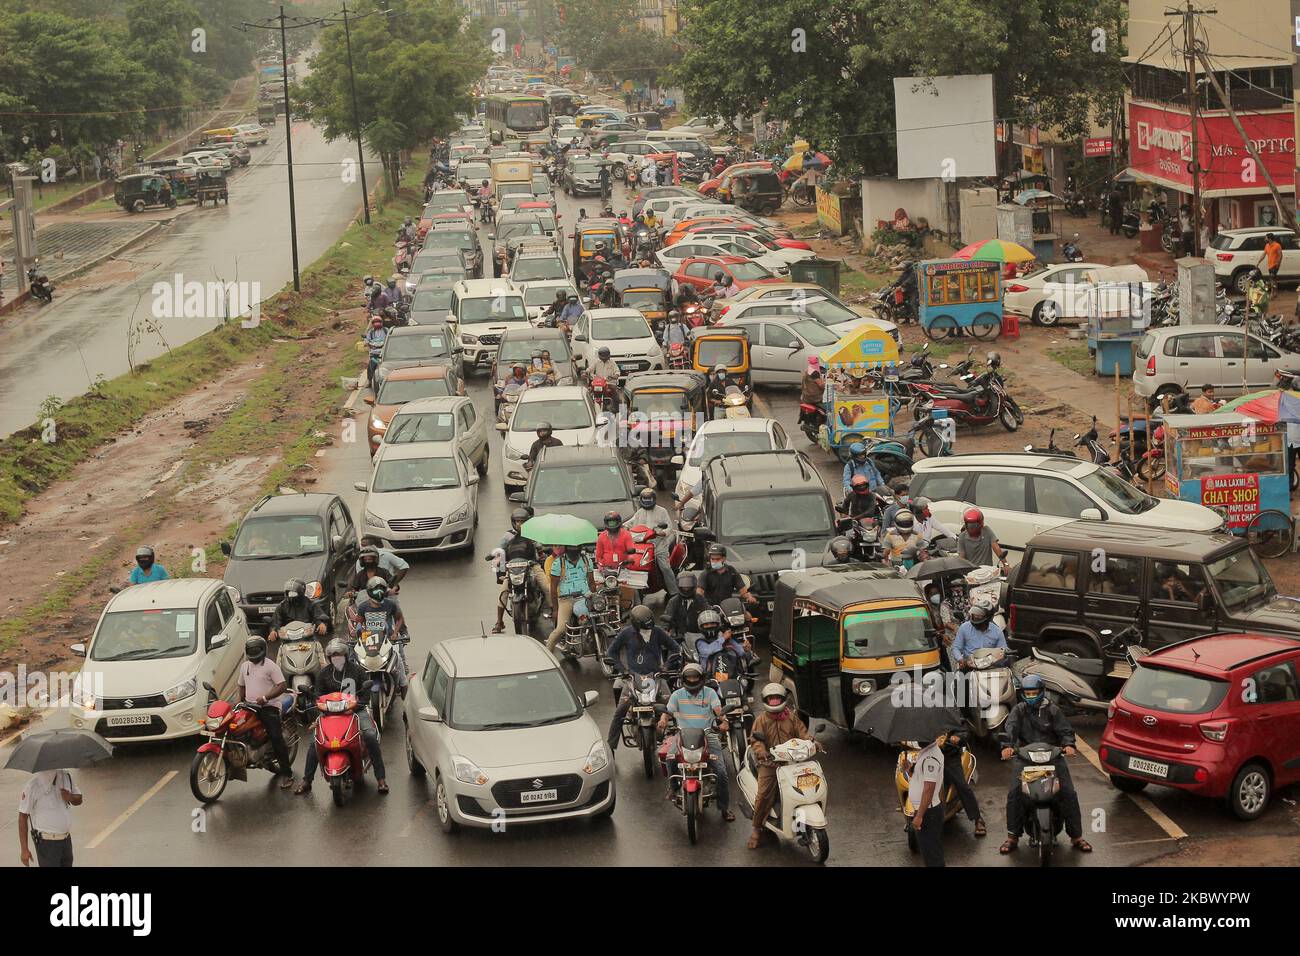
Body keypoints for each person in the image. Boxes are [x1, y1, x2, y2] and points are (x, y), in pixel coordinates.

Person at [1000, 674, 1091, 854]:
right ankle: (1012, 837)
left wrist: (1069, 745)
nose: (1031, 696)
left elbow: (1066, 731)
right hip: (1025, 758)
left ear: (1041, 692)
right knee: (1014, 794)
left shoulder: (1053, 710)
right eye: (1028, 693)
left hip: (1052, 757)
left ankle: (1076, 836)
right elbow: (1010, 730)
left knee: (1068, 793)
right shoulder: (1019, 710)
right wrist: (1007, 746)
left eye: (1034, 692)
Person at [296, 638, 388, 795]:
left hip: (355, 712)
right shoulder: (324, 673)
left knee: (370, 735)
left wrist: (355, 707)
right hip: (329, 714)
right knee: (315, 742)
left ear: (346, 654)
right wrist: (319, 712)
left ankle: (381, 779)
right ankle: (306, 780)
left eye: (339, 654)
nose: (336, 657)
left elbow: (365, 694)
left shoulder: (357, 671)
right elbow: (317, 695)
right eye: (333, 654)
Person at [659, 663, 735, 822]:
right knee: (670, 758)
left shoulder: (710, 693)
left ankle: (724, 808)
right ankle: (673, 787)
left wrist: (725, 721)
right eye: (689, 677)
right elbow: (668, 712)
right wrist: (662, 720)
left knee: (721, 771)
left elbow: (719, 712)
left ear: (701, 678)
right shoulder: (677, 695)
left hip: (708, 734)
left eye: (695, 677)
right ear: (684, 679)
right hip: (682, 736)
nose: (692, 680)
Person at [604, 604, 679, 750]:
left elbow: (675, 648)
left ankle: (682, 742)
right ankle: (610, 748)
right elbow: (611, 652)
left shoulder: (657, 631)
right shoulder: (626, 633)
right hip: (633, 678)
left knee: (673, 706)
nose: (649, 629)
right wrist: (622, 669)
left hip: (656, 677)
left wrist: (667, 666)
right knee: (619, 713)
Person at [746, 683, 812, 849]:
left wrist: (812, 742)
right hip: (769, 763)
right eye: (771, 698)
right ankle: (756, 829)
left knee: (805, 789)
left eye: (777, 698)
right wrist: (762, 752)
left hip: (792, 762)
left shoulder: (791, 717)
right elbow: (755, 740)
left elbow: (803, 733)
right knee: (763, 795)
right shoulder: (761, 719)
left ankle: (802, 825)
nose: (774, 701)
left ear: (783, 699)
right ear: (766, 700)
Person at [237, 636, 295, 790]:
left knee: (276, 738)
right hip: (249, 706)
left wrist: (266, 697)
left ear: (263, 650)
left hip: (268, 707)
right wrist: (240, 702)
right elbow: (241, 685)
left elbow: (282, 685)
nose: (253, 652)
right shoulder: (245, 667)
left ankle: (287, 774)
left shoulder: (271, 666)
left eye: (256, 649)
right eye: (251, 650)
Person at [490, 507, 550, 633]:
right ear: (513, 522)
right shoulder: (507, 536)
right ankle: (499, 622)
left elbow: (540, 547)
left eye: (522, 521)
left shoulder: (533, 534)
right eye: (517, 521)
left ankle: (555, 613)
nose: (519, 524)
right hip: (513, 568)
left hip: (532, 566)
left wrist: (541, 549)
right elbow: (500, 549)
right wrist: (495, 555)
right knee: (503, 593)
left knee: (547, 587)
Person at [18, 768, 82, 867]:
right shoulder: (33, 786)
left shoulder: (66, 777)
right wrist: (24, 849)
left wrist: (70, 797)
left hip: (66, 840)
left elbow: (79, 799)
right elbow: (22, 816)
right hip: (47, 844)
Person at [355, 578, 409, 695]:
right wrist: (359, 633)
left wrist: (395, 633)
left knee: (397, 659)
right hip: (369, 640)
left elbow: (399, 618)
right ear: (369, 591)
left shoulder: (391, 604)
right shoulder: (362, 607)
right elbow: (359, 623)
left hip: (388, 639)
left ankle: (403, 684)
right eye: (375, 589)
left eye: (381, 588)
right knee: (356, 660)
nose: (378, 591)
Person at [546, 544, 597, 652]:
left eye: (576, 548)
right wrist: (555, 609)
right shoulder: (558, 562)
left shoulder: (587, 560)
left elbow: (591, 582)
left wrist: (595, 598)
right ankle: (547, 653)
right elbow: (553, 588)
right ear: (566, 549)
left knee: (597, 620)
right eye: (571, 548)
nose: (573, 551)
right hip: (566, 599)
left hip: (585, 597)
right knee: (560, 629)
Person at [629, 488, 679, 596]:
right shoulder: (639, 513)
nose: (647, 501)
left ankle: (674, 593)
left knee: (665, 568)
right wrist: (621, 528)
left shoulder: (662, 511)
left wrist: (662, 533)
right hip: (643, 547)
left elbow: (669, 527)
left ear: (654, 499)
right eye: (645, 499)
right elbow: (630, 524)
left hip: (659, 546)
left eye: (649, 498)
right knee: (634, 566)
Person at [909, 731, 948, 867]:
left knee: (933, 857)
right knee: (929, 854)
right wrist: (909, 769)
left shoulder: (930, 757)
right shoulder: (926, 752)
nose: (915, 740)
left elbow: (929, 789)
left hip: (928, 813)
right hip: (926, 811)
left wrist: (919, 816)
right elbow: (922, 778)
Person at [949, 602, 1007, 668]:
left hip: (990, 666)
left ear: (989, 618)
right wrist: (961, 660)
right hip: (969, 665)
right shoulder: (964, 628)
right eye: (975, 616)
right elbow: (956, 648)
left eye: (979, 616)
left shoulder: (997, 632)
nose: (976, 618)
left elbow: (1003, 650)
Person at [661, 572, 708, 646]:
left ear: (694, 584)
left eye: (688, 585)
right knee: (670, 654)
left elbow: (708, 613)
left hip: (698, 636)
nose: (686, 588)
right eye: (683, 586)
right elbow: (667, 617)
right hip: (678, 637)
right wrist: (665, 630)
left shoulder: (700, 599)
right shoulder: (673, 601)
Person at [363, 316, 387, 389]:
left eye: (378, 322)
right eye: (375, 322)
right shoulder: (371, 332)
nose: (377, 324)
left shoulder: (386, 330)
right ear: (373, 324)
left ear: (381, 323)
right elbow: (367, 340)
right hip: (374, 352)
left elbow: (389, 338)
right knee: (371, 366)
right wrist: (368, 344)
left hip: (384, 352)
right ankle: (370, 381)